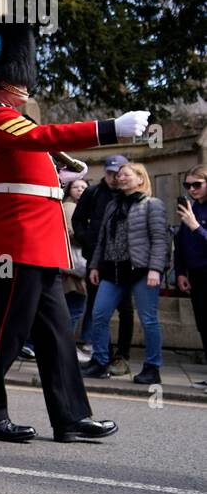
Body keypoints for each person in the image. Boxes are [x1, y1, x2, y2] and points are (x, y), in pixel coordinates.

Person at [0, 19, 140, 443]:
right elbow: (47, 133)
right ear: (5, 82)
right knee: (6, 332)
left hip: (38, 244)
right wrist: (111, 128)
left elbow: (36, 165)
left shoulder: (9, 120)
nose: (27, 86)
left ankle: (71, 416)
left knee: (56, 336)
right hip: (16, 243)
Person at [82, 162, 168, 385]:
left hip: (141, 270)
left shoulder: (152, 204)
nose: (120, 178)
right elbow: (102, 238)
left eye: (126, 175)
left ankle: (152, 367)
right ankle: (100, 362)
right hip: (112, 270)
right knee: (99, 314)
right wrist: (94, 265)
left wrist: (155, 269)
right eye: (119, 175)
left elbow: (160, 240)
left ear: (140, 178)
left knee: (149, 320)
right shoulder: (113, 205)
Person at [73, 154, 136, 375]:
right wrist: (87, 240)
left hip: (123, 261)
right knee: (97, 308)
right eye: (110, 173)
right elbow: (78, 219)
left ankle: (122, 356)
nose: (114, 177)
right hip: (96, 259)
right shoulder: (93, 192)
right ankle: (103, 354)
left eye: (118, 173)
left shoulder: (129, 196)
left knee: (125, 309)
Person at [174, 164, 207, 388]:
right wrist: (180, 272)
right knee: (203, 325)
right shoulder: (193, 207)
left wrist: (196, 226)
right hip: (196, 274)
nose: (192, 189)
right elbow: (181, 242)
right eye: (188, 185)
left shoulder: (194, 215)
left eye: (197, 184)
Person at [62, 177, 91, 354]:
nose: (80, 189)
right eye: (76, 187)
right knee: (74, 308)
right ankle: (67, 348)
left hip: (73, 265)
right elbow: (71, 234)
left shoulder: (80, 207)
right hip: (73, 266)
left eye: (83, 187)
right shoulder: (70, 207)